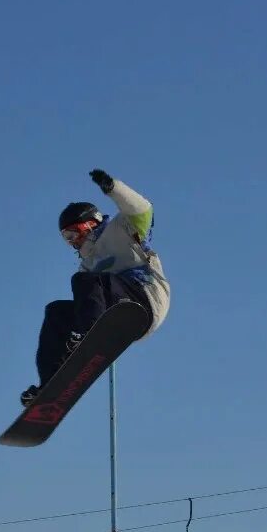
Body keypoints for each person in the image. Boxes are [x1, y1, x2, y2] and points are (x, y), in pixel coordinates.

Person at [21, 169, 170, 406]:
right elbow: (88, 302)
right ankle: (49, 384)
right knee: (56, 311)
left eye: (73, 234)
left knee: (85, 282)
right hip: (115, 309)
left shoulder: (122, 227)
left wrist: (113, 187)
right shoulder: (87, 263)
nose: (72, 242)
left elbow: (143, 209)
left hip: (145, 296)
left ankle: (87, 333)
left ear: (89, 224)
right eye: (66, 238)